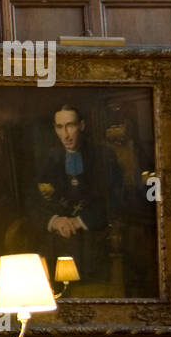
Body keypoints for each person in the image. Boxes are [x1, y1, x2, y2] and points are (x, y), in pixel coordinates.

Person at [28, 105, 118, 287]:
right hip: (56, 241)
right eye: (60, 127)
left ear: (82, 126)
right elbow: (31, 202)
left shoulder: (104, 156)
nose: (66, 135)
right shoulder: (46, 158)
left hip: (92, 236)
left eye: (70, 126)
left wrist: (79, 222)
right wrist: (55, 221)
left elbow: (114, 200)